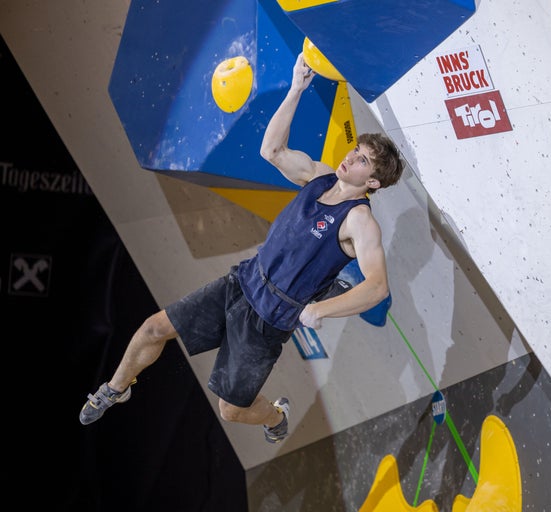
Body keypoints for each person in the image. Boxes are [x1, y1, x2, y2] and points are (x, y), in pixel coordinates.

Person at [79, 52, 404, 444]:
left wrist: (320, 309)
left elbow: (377, 287)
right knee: (153, 328)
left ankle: (275, 417)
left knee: (230, 411)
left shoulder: (359, 221)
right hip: (244, 282)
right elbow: (272, 152)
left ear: (374, 183)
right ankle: (115, 388)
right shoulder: (319, 176)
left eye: (363, 160)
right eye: (356, 151)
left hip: (270, 320)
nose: (351, 157)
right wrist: (296, 89)